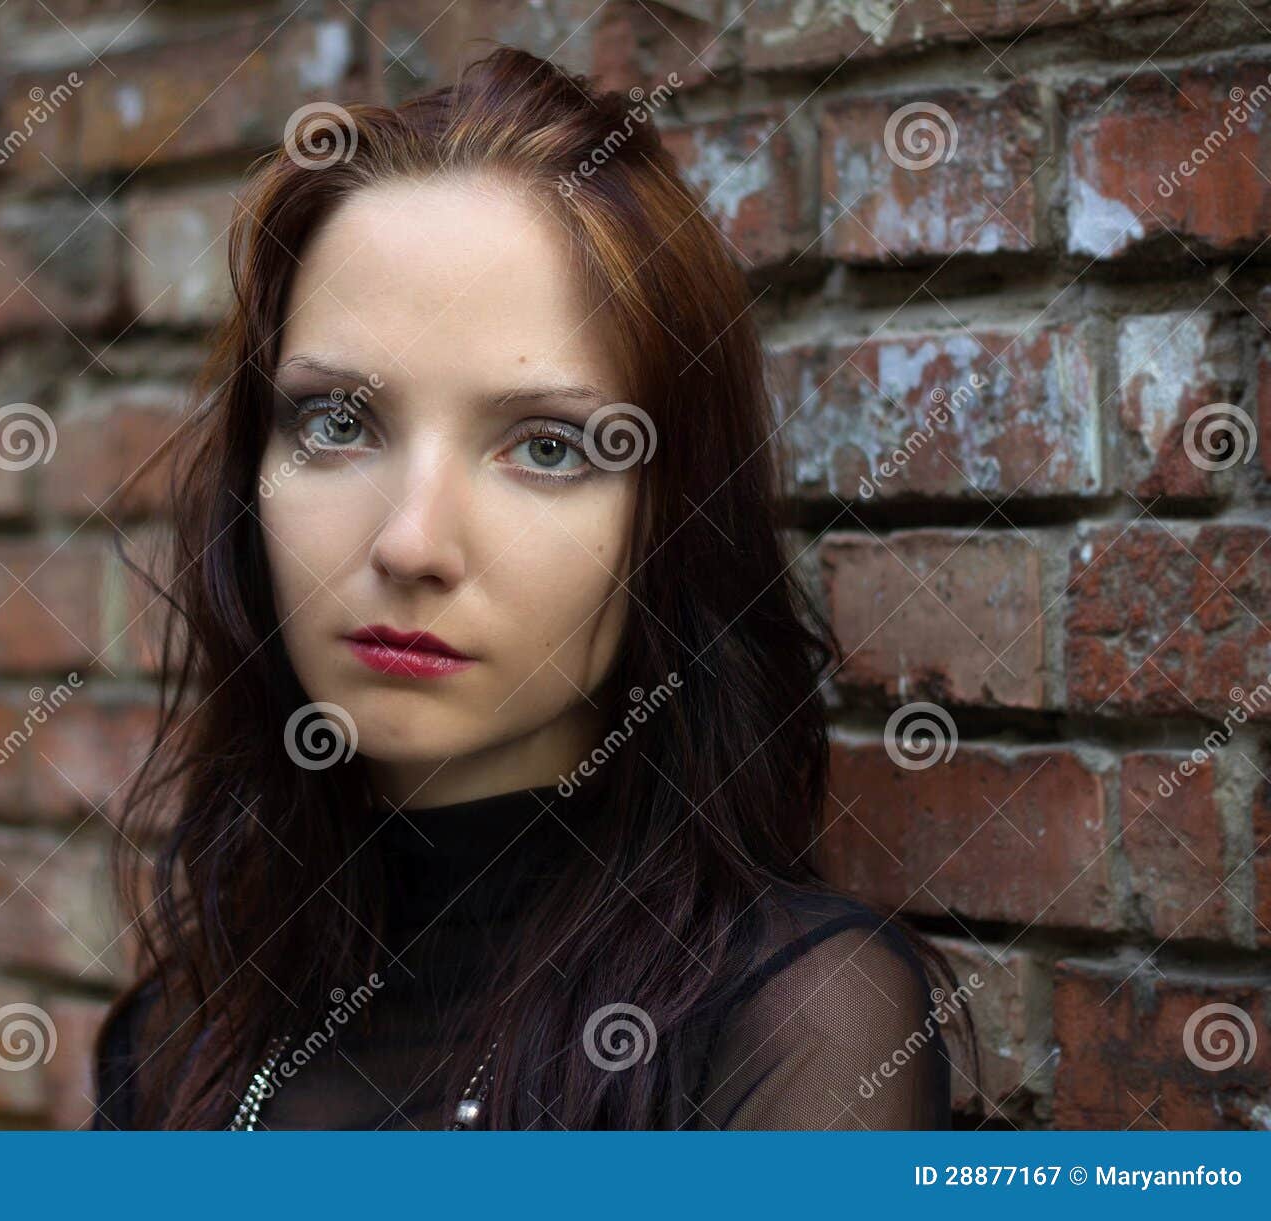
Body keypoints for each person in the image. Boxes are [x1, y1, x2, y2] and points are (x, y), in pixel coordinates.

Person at [92, 43, 972, 1131]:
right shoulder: (183, 1037)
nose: (411, 543)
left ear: (671, 518)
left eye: (548, 447)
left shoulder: (791, 1024)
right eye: (338, 422)